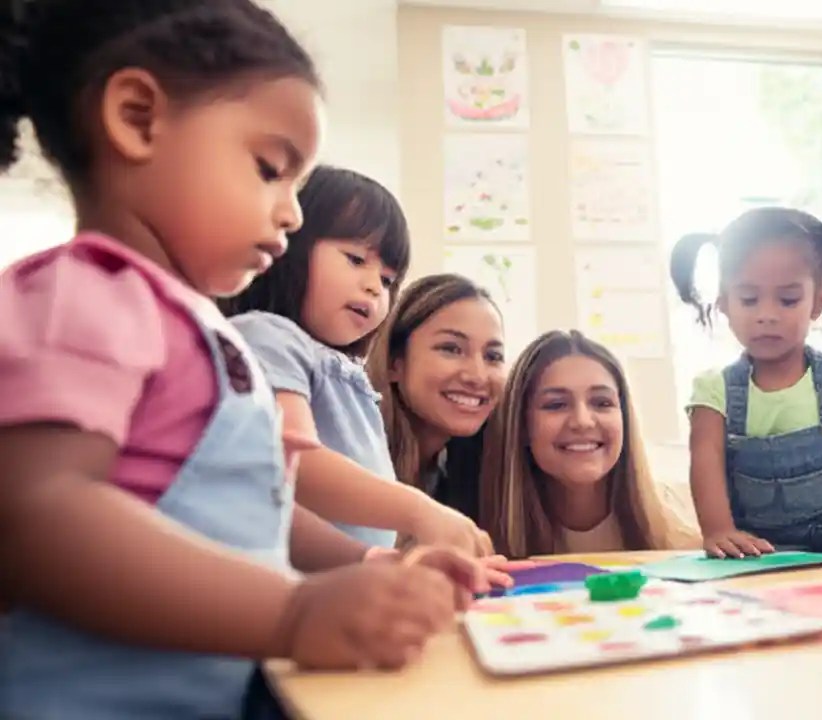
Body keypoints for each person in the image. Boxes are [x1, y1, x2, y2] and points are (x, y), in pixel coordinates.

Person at [0, 2, 484, 718]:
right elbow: (33, 516)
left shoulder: (203, 335)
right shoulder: (83, 295)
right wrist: (293, 612)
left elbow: (258, 515)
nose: (291, 212)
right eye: (270, 169)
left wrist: (368, 568)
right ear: (138, 118)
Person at [223, 168, 491, 554]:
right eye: (356, 259)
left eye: (386, 280)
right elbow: (295, 463)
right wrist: (419, 511)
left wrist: (380, 562)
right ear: (289, 247)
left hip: (337, 580)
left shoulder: (348, 374)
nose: (373, 287)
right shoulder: (267, 336)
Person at [670, 206, 822, 558]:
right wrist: (719, 532)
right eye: (749, 299)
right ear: (724, 303)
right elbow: (705, 466)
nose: (767, 315)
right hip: (749, 566)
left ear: (819, 303)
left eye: (788, 299)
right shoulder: (714, 393)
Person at [478, 330, 699, 557]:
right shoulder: (480, 536)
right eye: (556, 404)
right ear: (522, 425)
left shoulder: (693, 517)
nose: (582, 421)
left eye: (602, 402)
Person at [367, 273, 507, 527]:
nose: (477, 376)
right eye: (451, 349)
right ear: (393, 363)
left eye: (493, 356)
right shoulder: (348, 457)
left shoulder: (469, 476)